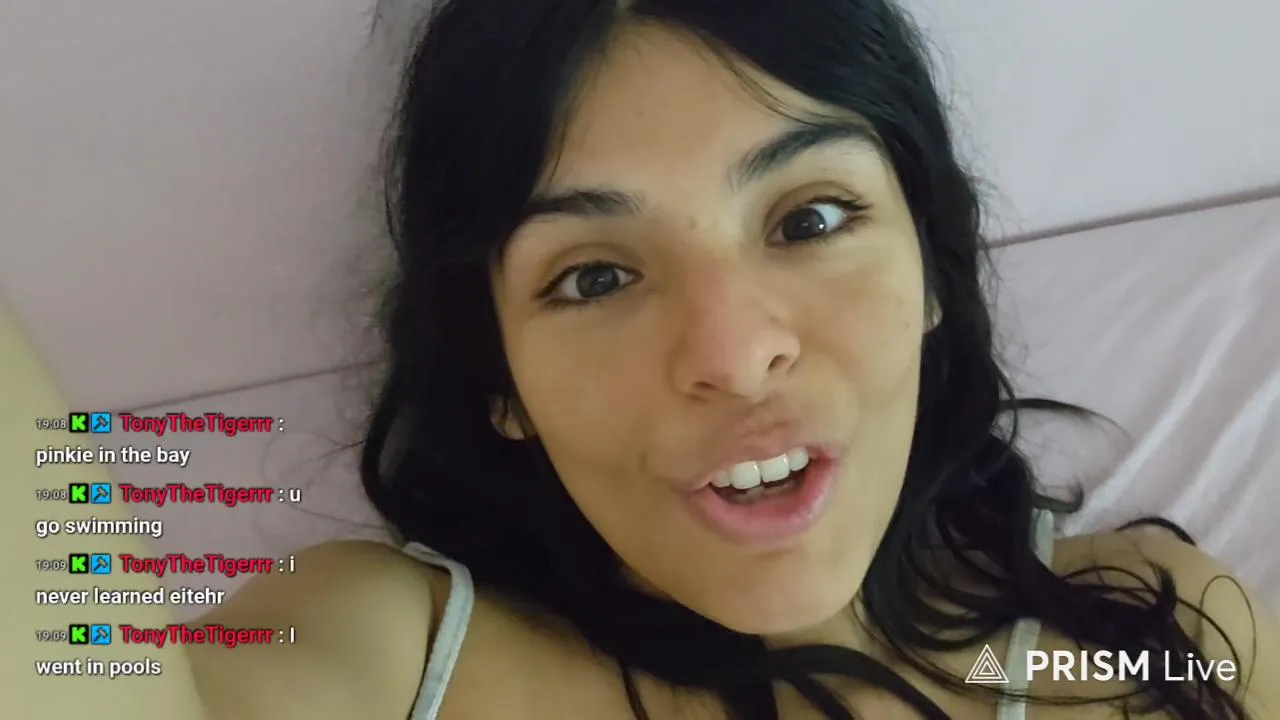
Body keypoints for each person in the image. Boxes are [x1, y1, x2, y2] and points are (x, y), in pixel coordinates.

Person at [8, 1, 1276, 718]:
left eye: (809, 219)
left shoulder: (1154, 635)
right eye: (594, 278)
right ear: (498, 380)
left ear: (934, 272)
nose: (733, 353)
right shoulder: (384, 652)